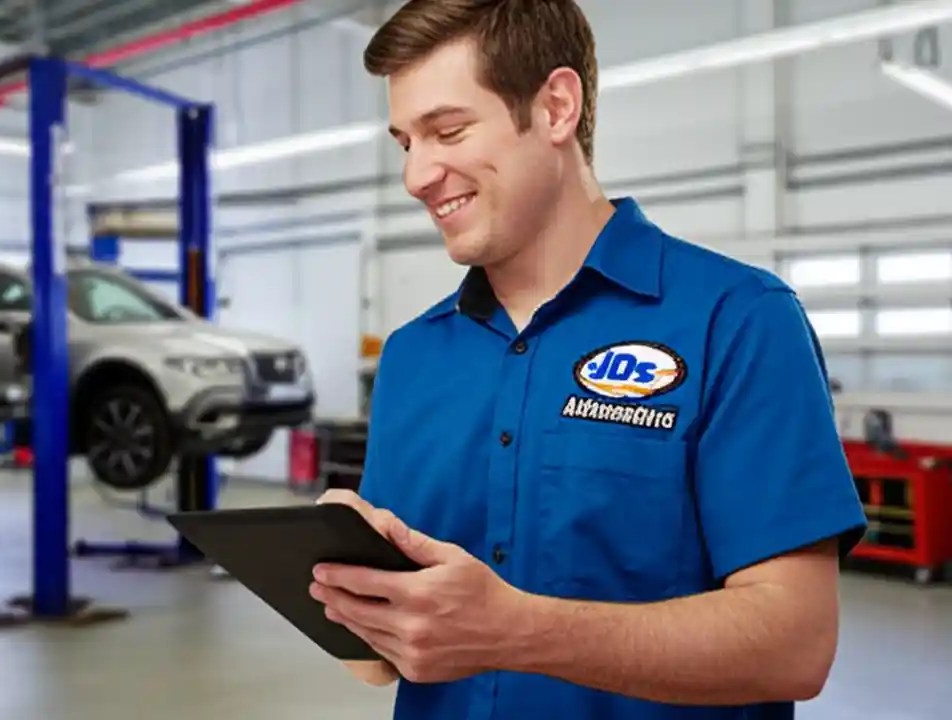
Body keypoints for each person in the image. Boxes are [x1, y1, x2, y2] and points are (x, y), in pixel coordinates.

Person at [307, 1, 868, 718]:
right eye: (405, 142)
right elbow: (377, 666)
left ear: (556, 108)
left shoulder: (737, 321)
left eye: (447, 131)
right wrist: (346, 580)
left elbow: (793, 645)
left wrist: (516, 631)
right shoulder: (414, 355)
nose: (417, 175)